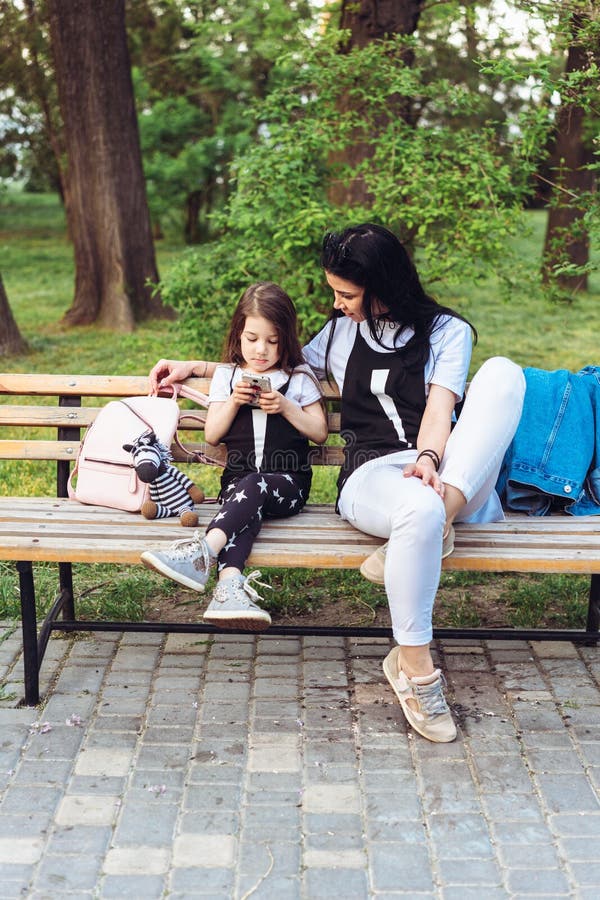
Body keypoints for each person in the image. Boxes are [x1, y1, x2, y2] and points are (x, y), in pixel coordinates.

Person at [149, 225, 526, 743]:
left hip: (443, 472)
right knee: (419, 509)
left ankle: (439, 520)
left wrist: (430, 459)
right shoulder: (342, 332)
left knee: (505, 373)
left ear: (384, 287)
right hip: (373, 478)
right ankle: (416, 670)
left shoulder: (446, 332)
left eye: (346, 294)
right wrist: (192, 366)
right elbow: (271, 362)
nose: (337, 304)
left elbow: (440, 410)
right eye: (334, 292)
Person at [142, 282, 327, 631]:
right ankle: (228, 587)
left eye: (273, 341)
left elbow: (318, 431)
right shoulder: (227, 376)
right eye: (252, 338)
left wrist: (286, 407)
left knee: (252, 488)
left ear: (286, 339)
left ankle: (202, 553)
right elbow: (213, 434)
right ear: (238, 334)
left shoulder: (298, 377)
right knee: (245, 507)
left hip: (287, 486)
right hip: (237, 487)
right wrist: (234, 401)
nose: (261, 350)